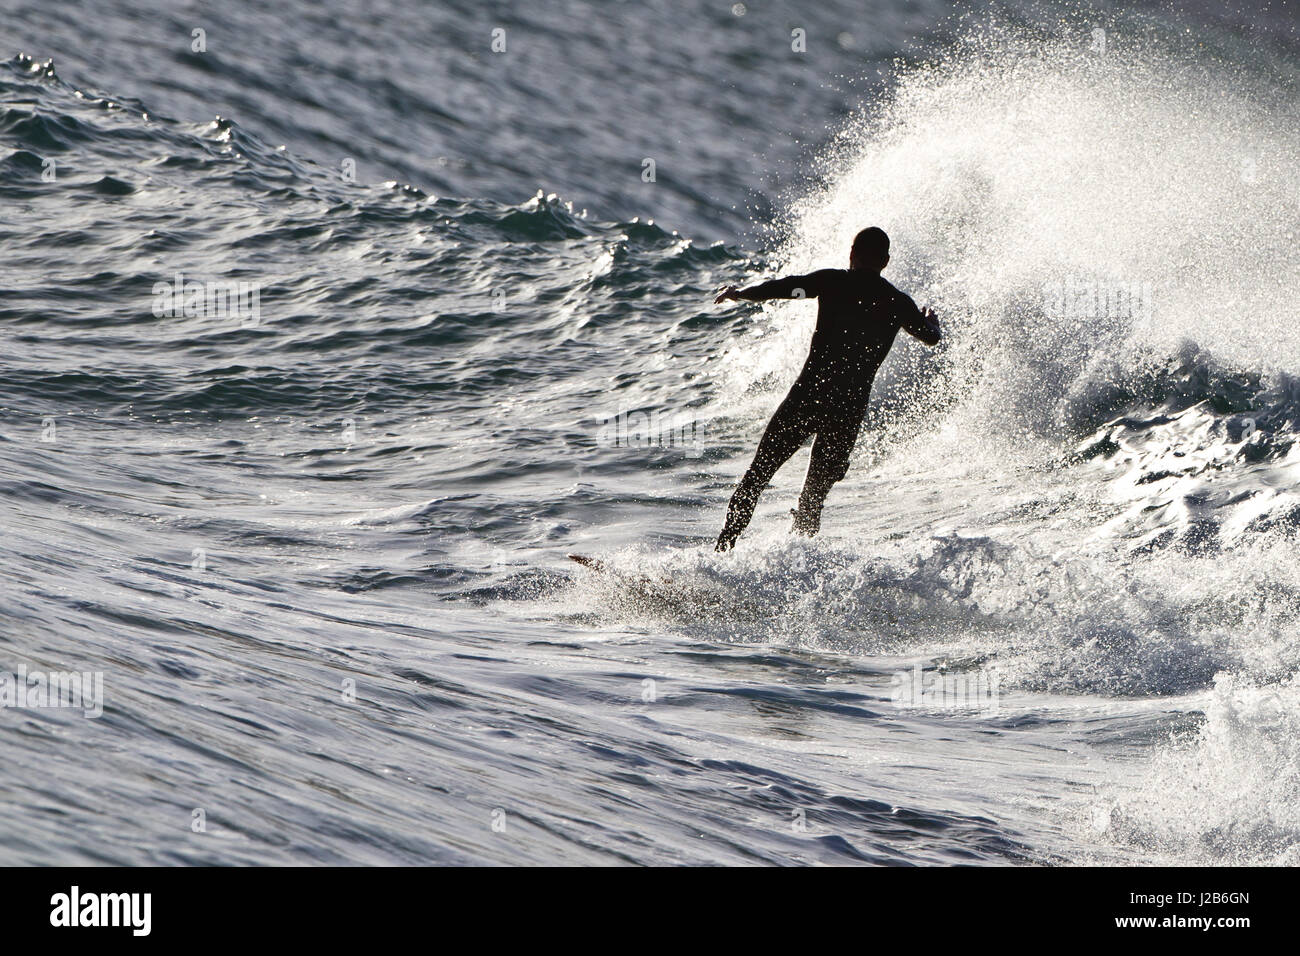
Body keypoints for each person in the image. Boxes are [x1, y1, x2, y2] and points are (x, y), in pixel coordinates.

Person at [713, 227, 941, 551]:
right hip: (847, 412)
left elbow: (783, 288)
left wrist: (741, 293)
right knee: (813, 499)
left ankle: (724, 547)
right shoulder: (897, 303)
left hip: (808, 396)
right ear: (886, 262)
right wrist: (931, 320)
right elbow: (930, 337)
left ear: (852, 253)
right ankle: (795, 570)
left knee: (757, 475)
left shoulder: (831, 283)